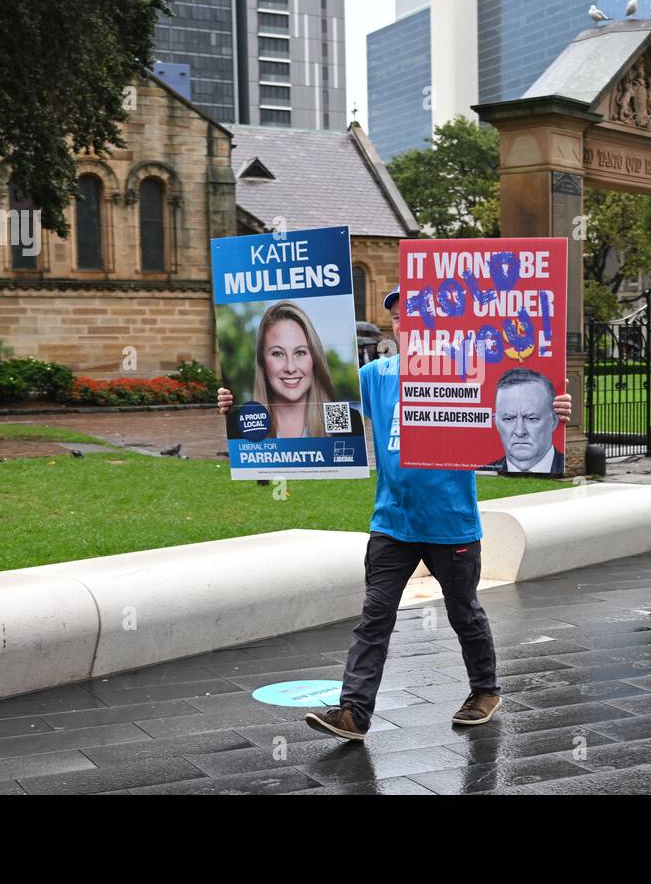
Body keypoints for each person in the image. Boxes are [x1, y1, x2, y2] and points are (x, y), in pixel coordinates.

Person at [218, 285, 572, 741]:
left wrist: (557, 409)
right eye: (399, 319)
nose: (407, 325)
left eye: (416, 316)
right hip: (393, 522)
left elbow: (517, 413)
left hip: (451, 522)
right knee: (374, 617)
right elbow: (313, 411)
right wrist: (241, 412)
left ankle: (485, 690)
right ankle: (353, 713)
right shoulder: (376, 375)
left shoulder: (469, 373)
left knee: (464, 613)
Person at [246, 300, 336, 438]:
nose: (290, 367)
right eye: (278, 353)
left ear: (315, 358)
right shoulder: (242, 426)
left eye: (300, 353)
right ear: (262, 360)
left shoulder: (345, 420)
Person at [481, 367, 565, 476]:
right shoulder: (482, 472)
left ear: (553, 421)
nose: (520, 432)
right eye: (509, 419)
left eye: (531, 418)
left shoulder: (571, 469)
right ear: (496, 422)